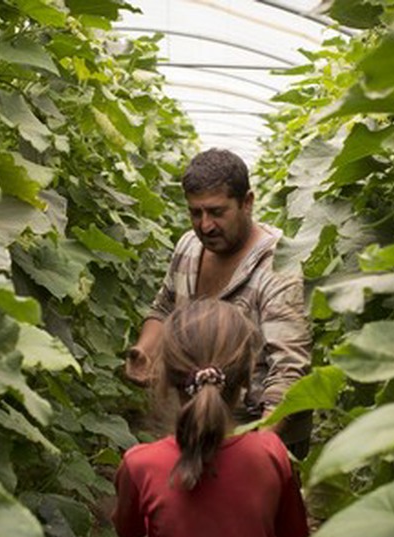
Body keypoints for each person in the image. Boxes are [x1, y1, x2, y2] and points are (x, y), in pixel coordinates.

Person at [112, 299, 310, 537]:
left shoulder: (141, 464)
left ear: (164, 378)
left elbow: (126, 529)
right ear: (247, 377)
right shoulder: (271, 454)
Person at [124, 148, 313, 458]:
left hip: (260, 427)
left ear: (247, 202)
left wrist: (261, 451)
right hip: (197, 417)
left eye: (216, 211)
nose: (205, 225)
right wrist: (145, 350)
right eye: (195, 213)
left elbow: (290, 370)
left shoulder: (278, 267)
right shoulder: (188, 245)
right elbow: (164, 307)